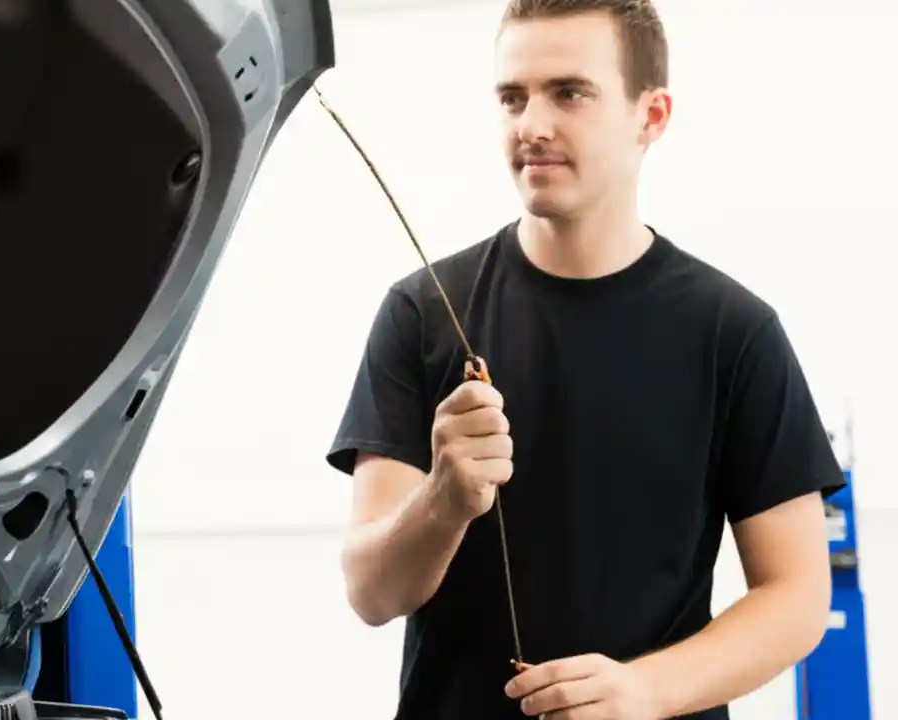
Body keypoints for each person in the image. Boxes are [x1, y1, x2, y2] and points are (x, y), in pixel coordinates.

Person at [324, 1, 847, 718]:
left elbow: (796, 597)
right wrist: (444, 500)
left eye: (569, 92)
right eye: (513, 97)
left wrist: (645, 690)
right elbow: (371, 593)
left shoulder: (733, 331)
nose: (531, 125)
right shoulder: (422, 313)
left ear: (651, 116)